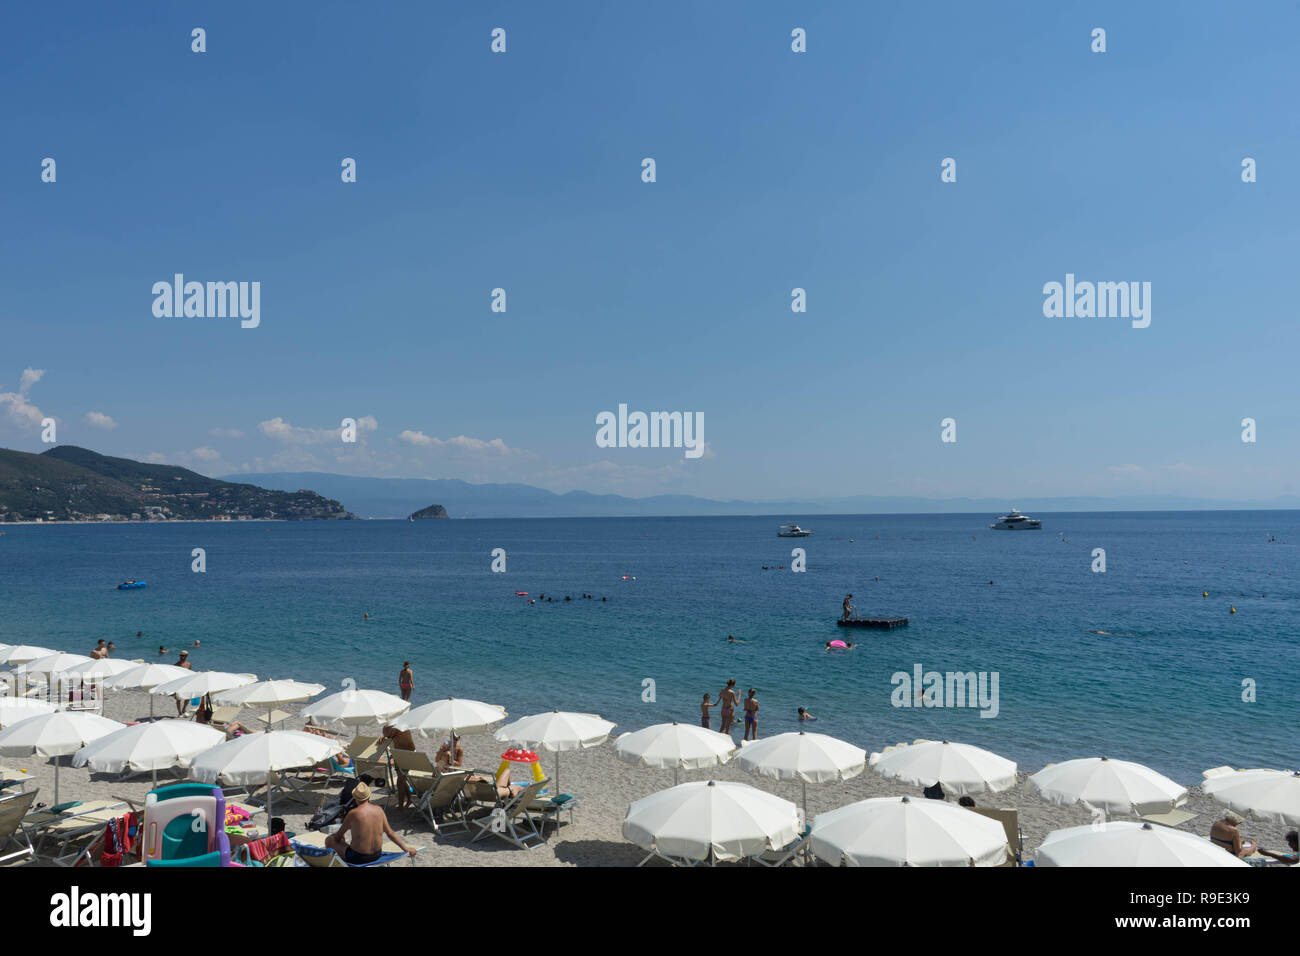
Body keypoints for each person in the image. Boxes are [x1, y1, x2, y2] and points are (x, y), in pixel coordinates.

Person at [324, 782, 416, 863]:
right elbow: (390, 833)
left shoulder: (353, 813)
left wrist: (338, 838)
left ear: (355, 798)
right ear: (369, 796)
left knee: (330, 840)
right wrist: (406, 848)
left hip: (358, 858)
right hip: (376, 855)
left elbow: (338, 836)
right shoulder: (379, 810)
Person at [381, 724, 417, 810]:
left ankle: (401, 806)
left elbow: (389, 733)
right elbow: (388, 733)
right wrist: (383, 736)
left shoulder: (402, 728)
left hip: (407, 754)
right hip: (398, 754)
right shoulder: (395, 729)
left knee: (400, 781)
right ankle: (409, 800)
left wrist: (385, 736)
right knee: (402, 780)